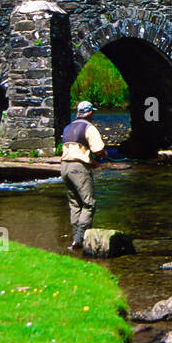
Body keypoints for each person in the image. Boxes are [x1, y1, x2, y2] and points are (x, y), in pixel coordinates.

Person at [61, 100, 107, 252]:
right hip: (78, 169)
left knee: (75, 204)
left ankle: (75, 239)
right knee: (89, 204)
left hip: (64, 167)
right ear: (90, 113)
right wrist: (102, 155)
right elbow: (98, 149)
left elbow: (74, 150)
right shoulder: (89, 127)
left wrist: (90, 160)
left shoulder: (68, 127)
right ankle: (79, 240)